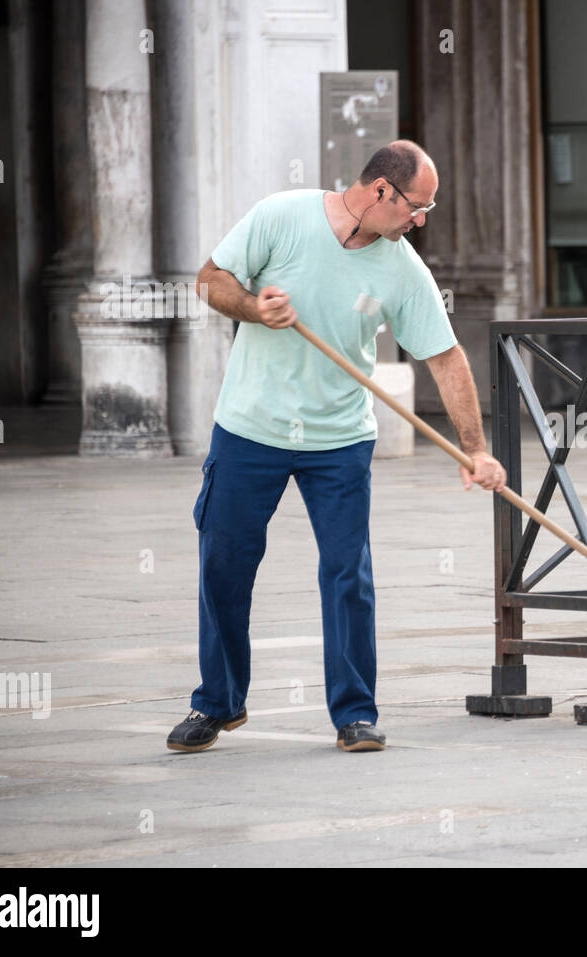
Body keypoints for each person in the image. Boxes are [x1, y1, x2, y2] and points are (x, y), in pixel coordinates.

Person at [167, 140, 506, 754]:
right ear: (381, 191)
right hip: (249, 429)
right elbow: (209, 281)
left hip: (340, 440)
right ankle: (216, 702)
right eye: (417, 207)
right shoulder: (281, 217)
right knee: (224, 564)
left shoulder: (402, 268)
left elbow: (445, 356)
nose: (421, 220)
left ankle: (355, 713)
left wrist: (475, 448)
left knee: (348, 574)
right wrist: (253, 308)